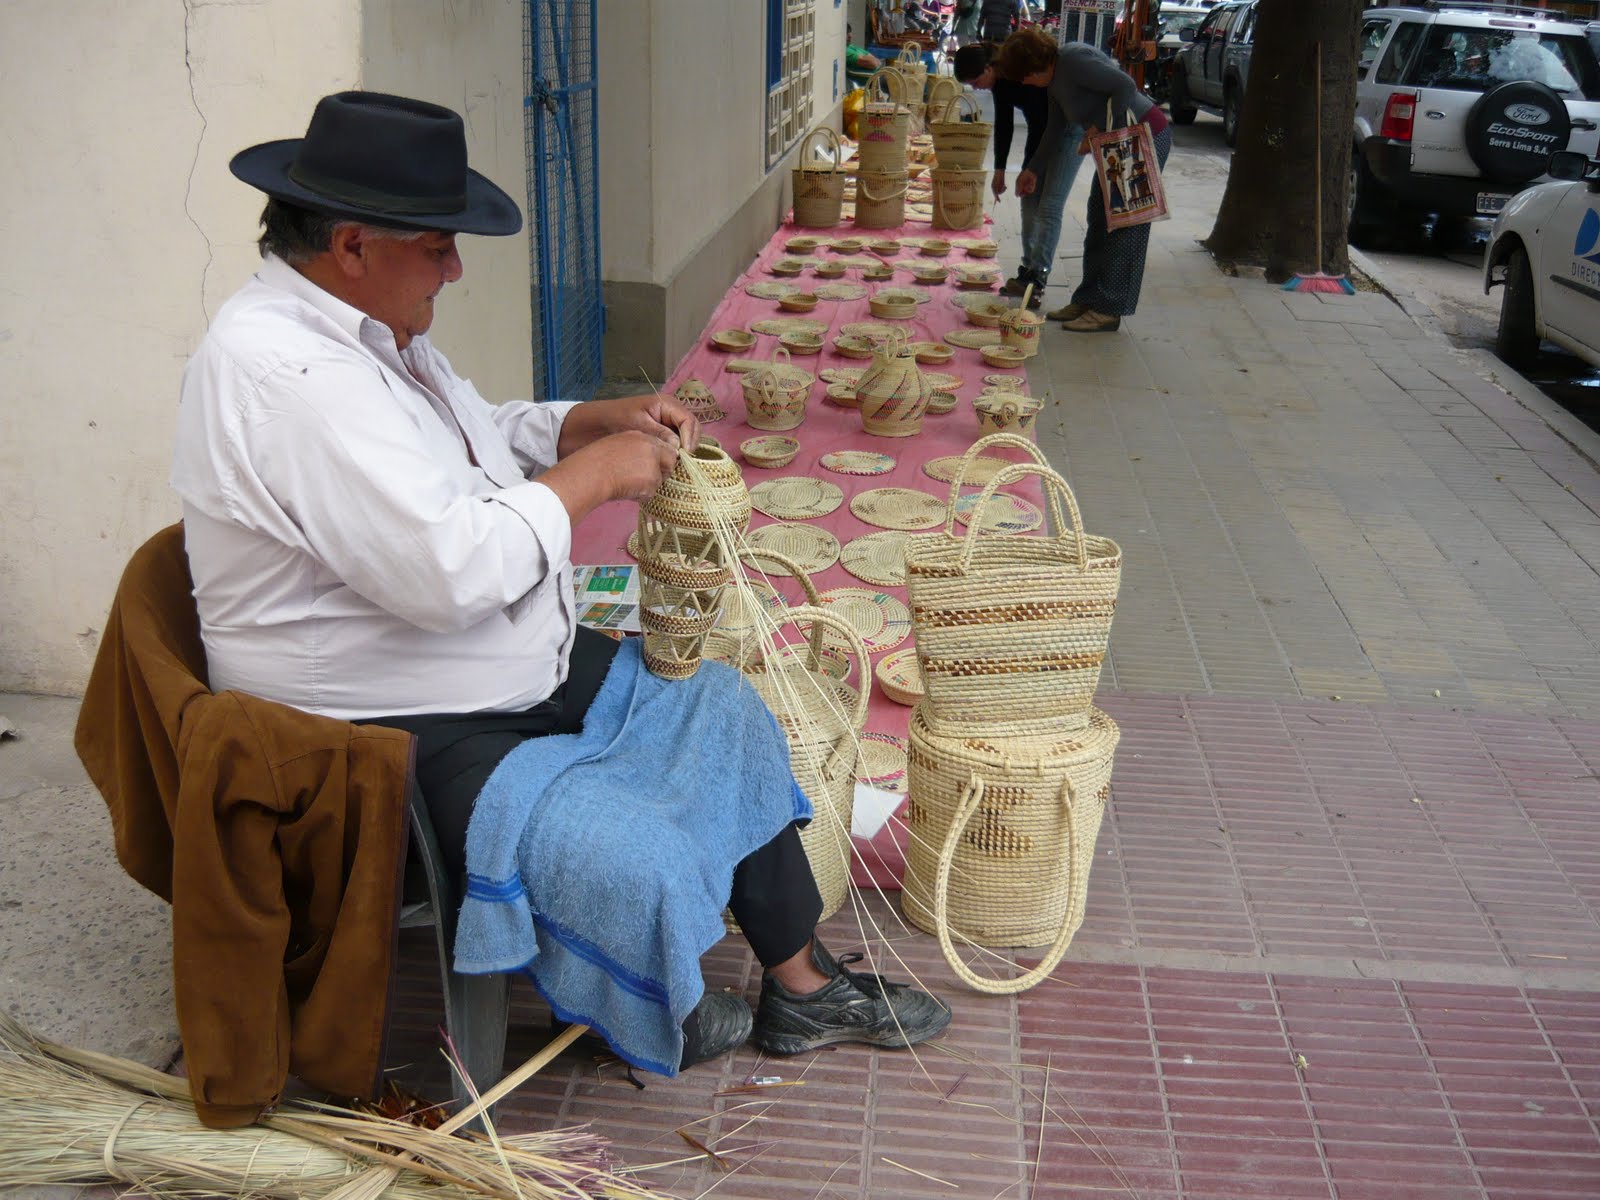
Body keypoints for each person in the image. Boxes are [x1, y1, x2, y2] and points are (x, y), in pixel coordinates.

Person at [171, 90, 950, 1076]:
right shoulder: (287, 379)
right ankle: (651, 1002)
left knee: (717, 704)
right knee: (633, 853)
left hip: (486, 669)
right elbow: (447, 572)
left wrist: (575, 423)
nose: (455, 267)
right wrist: (591, 479)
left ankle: (801, 988)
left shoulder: (367, 330)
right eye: (438, 245)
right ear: (355, 244)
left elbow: (463, 439)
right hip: (389, 721)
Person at [996, 26, 1171, 333]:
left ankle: (1109, 308)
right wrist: (1032, 169)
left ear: (1034, 66)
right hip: (1117, 144)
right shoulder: (1052, 82)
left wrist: (1108, 131)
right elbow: (1055, 129)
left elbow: (1124, 85)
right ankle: (1089, 298)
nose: (1025, 84)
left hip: (1141, 136)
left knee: (1123, 224)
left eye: (1024, 77)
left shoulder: (1072, 61)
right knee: (1098, 218)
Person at [953, 40, 1084, 308]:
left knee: (1049, 206)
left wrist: (1032, 168)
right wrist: (999, 170)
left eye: (976, 79)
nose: (976, 87)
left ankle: (1039, 278)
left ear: (990, 67)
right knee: (1028, 202)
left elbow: (1047, 123)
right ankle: (1027, 271)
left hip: (1068, 131)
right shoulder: (1000, 84)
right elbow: (1004, 124)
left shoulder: (1018, 72)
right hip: (1041, 132)